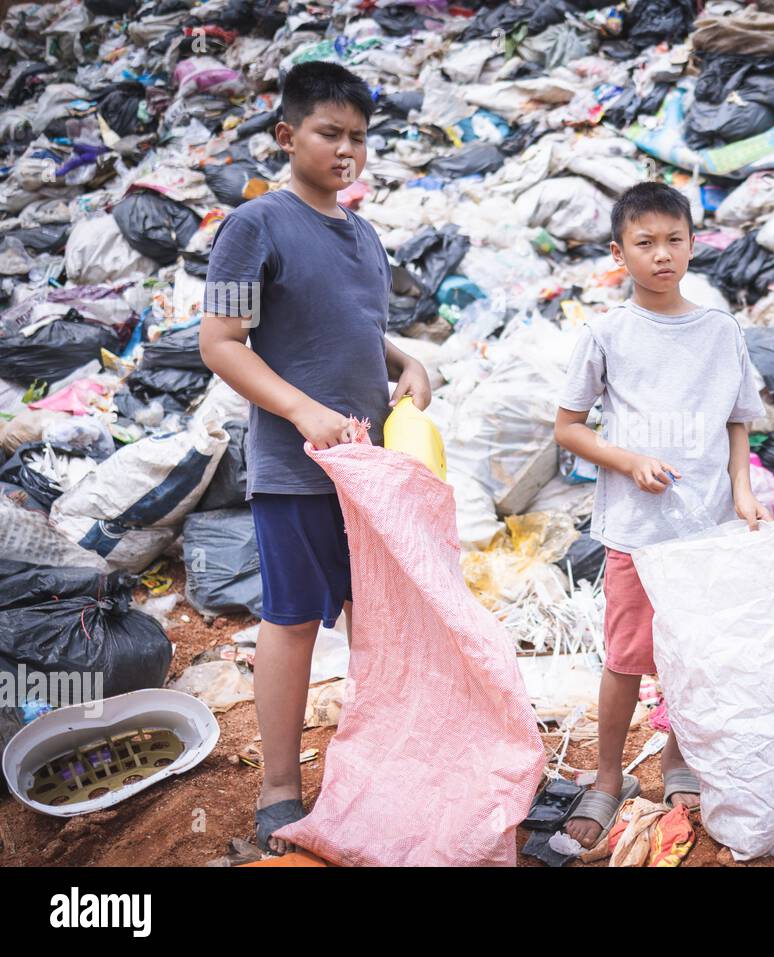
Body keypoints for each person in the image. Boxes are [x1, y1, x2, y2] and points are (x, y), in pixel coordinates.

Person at [198, 62, 431, 855]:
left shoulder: (363, 235)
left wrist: (406, 360)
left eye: (359, 138)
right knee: (293, 620)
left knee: (381, 624)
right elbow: (220, 344)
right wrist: (301, 410)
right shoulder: (254, 227)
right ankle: (279, 788)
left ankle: (381, 764)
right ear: (286, 136)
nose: (346, 150)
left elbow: (352, 322)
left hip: (368, 471)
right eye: (329, 134)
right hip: (297, 469)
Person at [553, 181, 771, 849]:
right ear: (619, 253)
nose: (662, 254)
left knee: (692, 655)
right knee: (624, 658)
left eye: (674, 239)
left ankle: (680, 757)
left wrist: (741, 491)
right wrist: (625, 460)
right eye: (644, 243)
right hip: (636, 534)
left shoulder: (719, 331)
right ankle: (610, 774)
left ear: (694, 245)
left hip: (705, 530)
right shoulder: (607, 333)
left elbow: (739, 423)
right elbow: (568, 429)